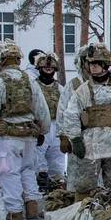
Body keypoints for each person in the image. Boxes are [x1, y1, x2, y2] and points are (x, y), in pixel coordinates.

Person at [0, 39, 51, 220]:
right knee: (28, 170)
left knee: (8, 173)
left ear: (0, 60)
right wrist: (43, 130)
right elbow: (42, 110)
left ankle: (14, 212)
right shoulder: (29, 80)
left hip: (8, 137)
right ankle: (32, 206)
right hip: (29, 136)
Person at [59, 43, 111, 200]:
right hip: (89, 148)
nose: (92, 67)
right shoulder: (82, 90)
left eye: (96, 64)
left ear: (106, 65)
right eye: (90, 64)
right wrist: (75, 138)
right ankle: (82, 217)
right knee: (84, 188)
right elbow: (71, 114)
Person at [29, 53, 67, 190]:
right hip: (39, 127)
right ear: (39, 68)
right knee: (37, 160)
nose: (48, 69)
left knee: (57, 160)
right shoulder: (32, 87)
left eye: (51, 68)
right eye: (45, 67)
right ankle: (39, 186)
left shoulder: (61, 89)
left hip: (56, 126)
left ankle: (57, 188)